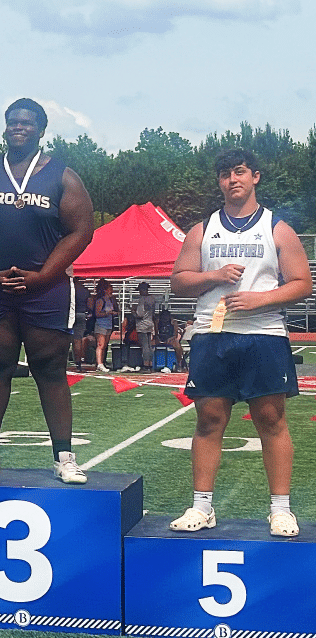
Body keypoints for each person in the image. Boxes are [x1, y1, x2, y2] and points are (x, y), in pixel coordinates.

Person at [168, 149, 311, 537]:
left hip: (263, 334)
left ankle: (280, 509)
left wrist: (259, 299)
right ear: (219, 182)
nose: (233, 179)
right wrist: (212, 276)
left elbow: (302, 283)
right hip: (212, 335)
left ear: (255, 177)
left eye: (240, 172)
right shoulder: (203, 227)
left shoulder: (276, 227)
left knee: (271, 421)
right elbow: (179, 280)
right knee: (209, 420)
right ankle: (202, 506)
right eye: (225, 174)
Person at [0, 98, 94, 484]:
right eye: (13, 122)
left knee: (50, 370)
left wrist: (44, 275)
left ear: (42, 130)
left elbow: (81, 230)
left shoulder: (63, 177)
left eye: (27, 123)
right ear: (4, 127)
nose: (19, 127)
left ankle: (64, 456)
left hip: (45, 289)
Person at [92, 279, 117, 372]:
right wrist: (108, 313)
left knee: (105, 345)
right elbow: (97, 313)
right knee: (100, 345)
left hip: (108, 325)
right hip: (101, 325)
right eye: (110, 288)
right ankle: (99, 363)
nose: (112, 289)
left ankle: (102, 362)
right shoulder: (101, 300)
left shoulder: (109, 300)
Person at [134, 282, 157, 372]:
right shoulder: (152, 299)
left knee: (145, 346)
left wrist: (132, 311)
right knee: (149, 345)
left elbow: (139, 314)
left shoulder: (142, 300)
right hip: (150, 322)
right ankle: (150, 364)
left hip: (142, 324)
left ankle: (146, 364)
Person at [71, 277, 90, 370]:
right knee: (78, 340)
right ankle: (78, 363)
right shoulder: (85, 290)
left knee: (64, 338)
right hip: (81, 314)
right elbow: (90, 305)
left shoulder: (68, 289)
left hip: (69, 314)